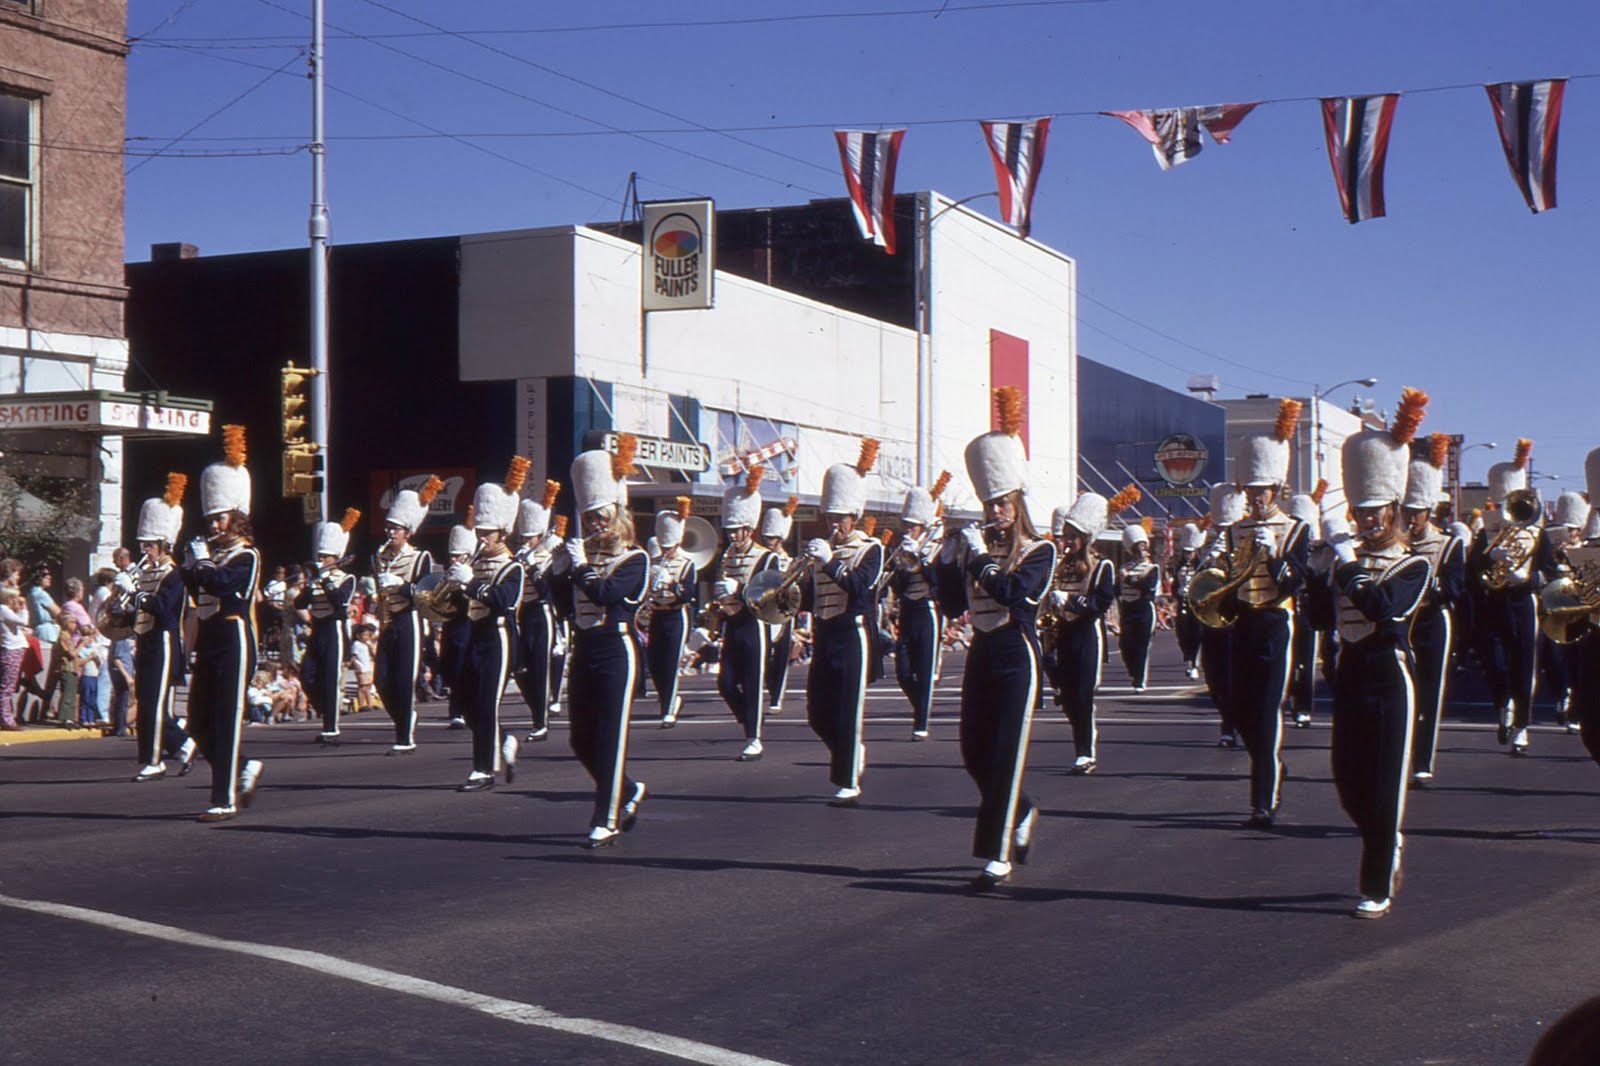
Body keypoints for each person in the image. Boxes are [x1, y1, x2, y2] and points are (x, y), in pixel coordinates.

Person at [942, 386, 1056, 889]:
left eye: (1003, 502)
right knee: (973, 751)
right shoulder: (978, 549)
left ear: (1018, 501)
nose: (995, 512)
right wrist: (948, 558)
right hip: (982, 651)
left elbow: (1012, 593)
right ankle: (1023, 809)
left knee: (1007, 750)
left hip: (1016, 653)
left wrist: (979, 558)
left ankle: (998, 853)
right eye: (990, 503)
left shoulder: (1041, 550)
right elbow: (952, 606)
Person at [1326, 388, 1434, 919]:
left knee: (1386, 782)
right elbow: (1325, 615)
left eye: (1375, 512)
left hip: (1390, 679)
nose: (1365, 521)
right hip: (1350, 674)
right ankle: (1381, 839)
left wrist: (1346, 565)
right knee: (1346, 779)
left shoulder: (1414, 565)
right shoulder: (1347, 557)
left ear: (1393, 509)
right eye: (1359, 511)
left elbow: (1383, 609)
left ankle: (1375, 881)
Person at [1212, 400, 1309, 827]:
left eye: (1261, 489)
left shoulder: (1296, 530)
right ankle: (1271, 766)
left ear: (1276, 488)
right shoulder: (1234, 531)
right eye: (1249, 489)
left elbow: (1296, 581)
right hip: (1244, 625)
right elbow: (1230, 584)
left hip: (1275, 623)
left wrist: (1274, 558)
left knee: (1268, 708)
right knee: (1241, 709)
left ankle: (1262, 800)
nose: (1254, 496)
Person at [564, 436, 650, 848]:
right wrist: (554, 565)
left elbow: (607, 595)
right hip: (584, 649)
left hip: (617, 651)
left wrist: (578, 566)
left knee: (611, 738)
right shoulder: (584, 557)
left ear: (616, 514)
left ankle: (607, 817)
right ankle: (628, 789)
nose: (595, 525)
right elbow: (563, 599)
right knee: (580, 738)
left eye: (600, 517)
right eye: (589, 518)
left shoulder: (636, 559)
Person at [181, 425, 264, 822]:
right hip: (210, 635)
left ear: (237, 517)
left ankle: (223, 798)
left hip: (234, 636)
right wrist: (188, 567)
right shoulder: (211, 554)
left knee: (226, 717)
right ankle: (244, 767)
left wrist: (202, 565)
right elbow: (196, 591)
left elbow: (230, 591)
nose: (215, 526)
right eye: (211, 518)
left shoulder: (247, 556)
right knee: (197, 721)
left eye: (221, 518)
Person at [801, 439, 885, 804]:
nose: (833, 524)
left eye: (840, 517)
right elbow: (809, 597)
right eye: (829, 517)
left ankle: (848, 778)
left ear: (853, 515)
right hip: (824, 634)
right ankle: (849, 754)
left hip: (853, 635)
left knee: (849, 710)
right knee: (817, 712)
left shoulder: (871, 549)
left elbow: (859, 588)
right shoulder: (824, 550)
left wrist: (830, 561)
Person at [1469, 440, 1550, 756]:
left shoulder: (1536, 534)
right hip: (1494, 602)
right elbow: (1472, 570)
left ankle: (1521, 727)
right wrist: (1490, 559)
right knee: (1495, 663)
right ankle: (1502, 702)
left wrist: (1530, 577)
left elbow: (1550, 571)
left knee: (1523, 665)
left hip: (1523, 601)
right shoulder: (1485, 534)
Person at [1044, 488, 1131, 773]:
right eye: (1066, 534)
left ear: (1086, 537)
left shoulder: (1102, 565)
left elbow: (1100, 603)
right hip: (1062, 633)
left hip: (1085, 634)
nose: (1067, 540)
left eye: (1073, 535)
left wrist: (1071, 601)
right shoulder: (1060, 565)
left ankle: (1085, 752)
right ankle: (1083, 739)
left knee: (1082, 695)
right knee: (1068, 697)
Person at [454, 458, 528, 792]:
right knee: (467, 703)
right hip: (474, 635)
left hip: (498, 639)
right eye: (479, 531)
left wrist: (469, 584)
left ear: (503, 532)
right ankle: (505, 739)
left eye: (488, 532)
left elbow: (504, 602)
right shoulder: (473, 562)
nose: (481, 537)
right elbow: (459, 605)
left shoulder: (513, 567)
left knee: (485, 703)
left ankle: (483, 770)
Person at [1404, 434, 1468, 784]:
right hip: (1402, 623)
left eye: (1416, 512)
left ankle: (1422, 759)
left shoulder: (1448, 544)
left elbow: (1455, 586)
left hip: (1431, 622)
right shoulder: (1394, 543)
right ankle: (1401, 753)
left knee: (1429, 693)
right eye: (1407, 511)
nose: (1411, 518)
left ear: (1428, 510)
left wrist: (1430, 588)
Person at [127, 474, 196, 780]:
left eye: (150, 545)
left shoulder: (175, 575)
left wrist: (137, 595)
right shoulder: (144, 574)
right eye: (143, 544)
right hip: (145, 640)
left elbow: (163, 610)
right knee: (146, 704)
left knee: (154, 705)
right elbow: (138, 610)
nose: (145, 550)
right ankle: (183, 746)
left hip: (165, 641)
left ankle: (154, 761)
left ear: (163, 544)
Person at [373, 476, 441, 753]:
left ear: (408, 532)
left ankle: (404, 738)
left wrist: (401, 586)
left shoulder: (420, 557)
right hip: (388, 622)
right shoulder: (377, 557)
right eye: (389, 527)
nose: (391, 533)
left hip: (409, 621)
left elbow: (426, 594)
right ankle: (404, 718)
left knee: (403, 681)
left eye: (397, 529)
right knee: (381, 680)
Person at [715, 467, 778, 761]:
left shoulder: (767, 556)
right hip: (732, 624)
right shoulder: (727, 555)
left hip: (755, 626)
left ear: (749, 529)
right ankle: (750, 719)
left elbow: (768, 593)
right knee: (725, 682)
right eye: (729, 530)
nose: (732, 535)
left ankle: (754, 737)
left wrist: (738, 589)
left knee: (752, 682)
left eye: (737, 530)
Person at [890, 475, 950, 739]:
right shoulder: (901, 547)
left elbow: (937, 584)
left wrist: (920, 559)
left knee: (924, 670)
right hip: (907, 610)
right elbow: (897, 586)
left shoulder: (936, 548)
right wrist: (899, 563)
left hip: (927, 610)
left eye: (913, 526)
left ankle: (921, 722)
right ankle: (920, 707)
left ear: (922, 527)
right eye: (906, 524)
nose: (908, 530)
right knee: (903, 671)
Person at [295, 509, 359, 744]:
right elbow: (298, 603)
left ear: (335, 557)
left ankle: (331, 727)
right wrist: (310, 586)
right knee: (307, 674)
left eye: (325, 557)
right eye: (319, 556)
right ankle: (324, 707)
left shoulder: (346, 578)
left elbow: (339, 603)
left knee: (331, 678)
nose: (320, 560)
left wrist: (326, 581)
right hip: (317, 629)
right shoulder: (316, 580)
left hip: (334, 630)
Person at [512, 479, 563, 742]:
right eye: (523, 536)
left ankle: (540, 721)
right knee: (520, 668)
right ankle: (535, 711)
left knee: (540, 666)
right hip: (523, 613)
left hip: (542, 613)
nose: (526, 541)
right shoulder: (518, 556)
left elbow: (546, 591)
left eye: (530, 536)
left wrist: (531, 565)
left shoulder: (551, 558)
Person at [1198, 486, 1246, 747]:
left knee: (1234, 675)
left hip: (1240, 618)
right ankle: (1227, 716)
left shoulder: (1246, 542)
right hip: (1213, 620)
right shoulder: (1208, 547)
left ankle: (1230, 725)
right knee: (1214, 676)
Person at [647, 497, 698, 728]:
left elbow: (688, 594)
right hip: (657, 614)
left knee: (670, 663)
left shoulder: (687, 565)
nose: (666, 550)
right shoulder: (653, 562)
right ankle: (668, 699)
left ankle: (668, 709)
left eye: (670, 546)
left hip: (676, 615)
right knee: (655, 665)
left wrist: (671, 584)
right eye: (664, 546)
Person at [1542, 490, 1589, 734]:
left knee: (1578, 662)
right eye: (1565, 528)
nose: (1568, 533)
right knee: (1552, 659)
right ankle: (1562, 693)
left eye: (1572, 528)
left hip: (1581, 611)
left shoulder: (1587, 548)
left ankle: (1574, 710)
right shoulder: (1551, 549)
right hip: (1557, 610)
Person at [759, 497, 799, 716]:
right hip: (764, 609)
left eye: (773, 538)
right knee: (765, 654)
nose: (769, 541)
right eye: (766, 537)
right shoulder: (761, 557)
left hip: (783, 609)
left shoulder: (789, 561)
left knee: (781, 653)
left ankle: (777, 695)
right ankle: (769, 686)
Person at [437, 514, 476, 731]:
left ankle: (458, 711)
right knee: (449, 667)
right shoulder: (447, 574)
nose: (453, 559)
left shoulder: (473, 573)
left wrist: (464, 582)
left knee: (463, 667)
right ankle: (457, 706)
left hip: (468, 625)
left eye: (458, 555)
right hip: (450, 625)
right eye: (452, 555)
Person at [1118, 519, 1160, 693]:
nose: (1141, 550)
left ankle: (1140, 679)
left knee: (1141, 645)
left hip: (1143, 609)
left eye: (1143, 546)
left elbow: (1147, 587)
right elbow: (1117, 589)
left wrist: (1128, 578)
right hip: (1127, 610)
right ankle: (1133, 672)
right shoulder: (1124, 567)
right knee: (1125, 645)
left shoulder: (1152, 567)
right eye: (1138, 547)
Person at [1168, 521, 1206, 681]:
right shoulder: (1179, 568)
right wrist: (1176, 591)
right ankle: (1188, 658)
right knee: (1182, 633)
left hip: (1196, 604)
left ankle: (1194, 663)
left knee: (1196, 632)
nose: (1188, 555)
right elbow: (1175, 584)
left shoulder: (1201, 567)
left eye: (1190, 552)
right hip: (1182, 602)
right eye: (1186, 552)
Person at [0, 588, 27, 730]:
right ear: (9, 598)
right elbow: (23, 621)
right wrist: (23, 607)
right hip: (11, 650)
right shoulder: (3, 609)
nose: (16, 600)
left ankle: (5, 718)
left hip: (12, 649)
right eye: (14, 597)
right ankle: (6, 720)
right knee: (6, 688)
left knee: (7, 687)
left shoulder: (5, 610)